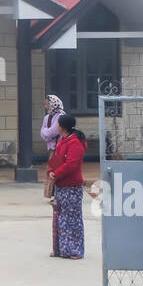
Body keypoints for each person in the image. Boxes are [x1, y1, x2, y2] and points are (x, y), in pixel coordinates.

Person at [47, 113, 87, 259]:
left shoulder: (75, 143)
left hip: (71, 186)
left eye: (57, 124)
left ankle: (75, 250)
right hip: (61, 185)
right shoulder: (62, 141)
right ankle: (60, 249)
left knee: (72, 219)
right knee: (60, 218)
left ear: (62, 127)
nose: (56, 126)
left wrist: (56, 173)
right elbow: (56, 159)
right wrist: (51, 171)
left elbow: (72, 164)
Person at [40, 94, 65, 201]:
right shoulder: (47, 117)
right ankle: (53, 194)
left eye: (48, 104)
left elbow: (53, 131)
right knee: (51, 170)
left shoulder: (61, 116)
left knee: (56, 171)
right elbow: (43, 132)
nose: (46, 107)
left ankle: (58, 194)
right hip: (51, 149)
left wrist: (46, 132)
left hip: (60, 148)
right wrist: (46, 133)